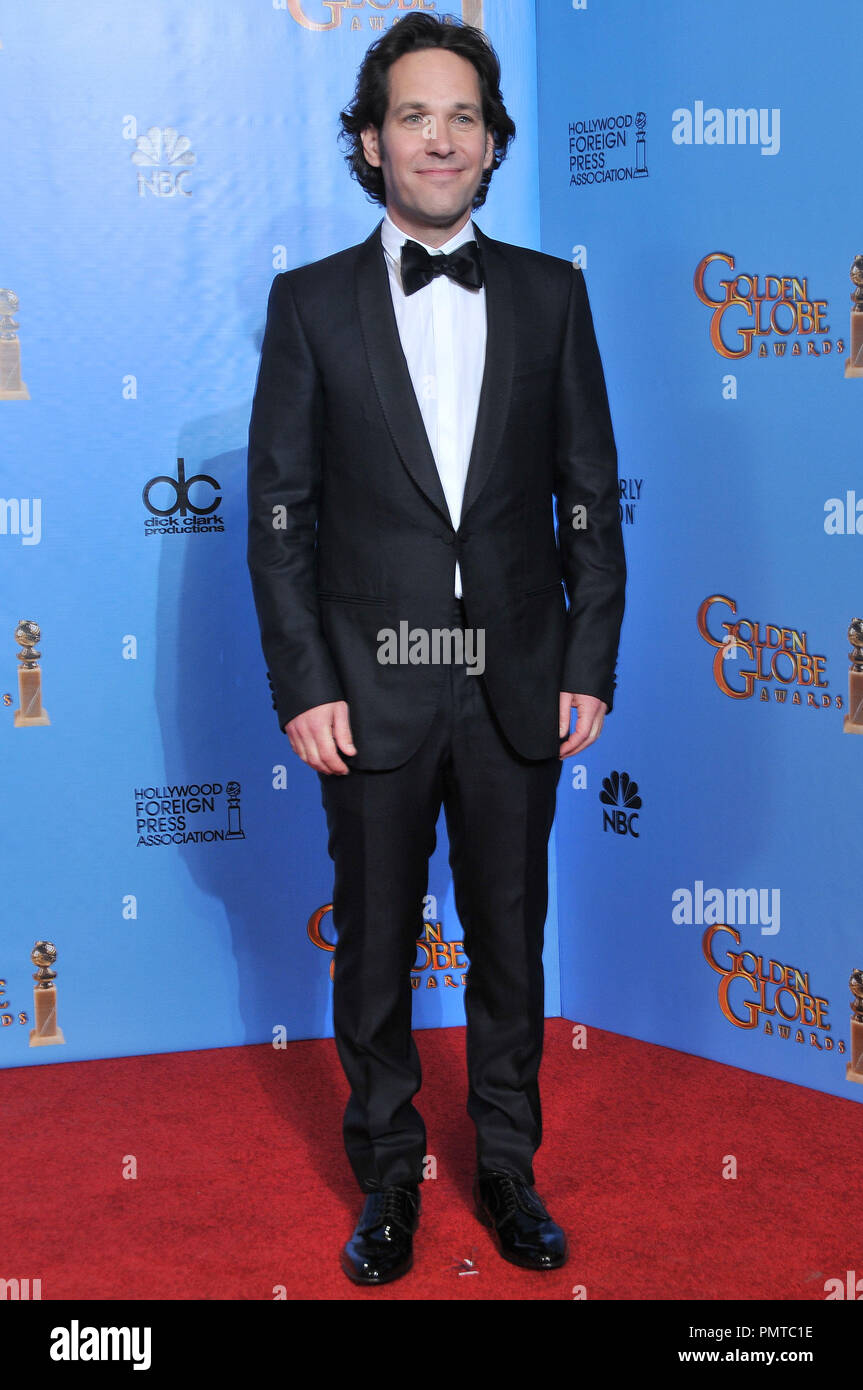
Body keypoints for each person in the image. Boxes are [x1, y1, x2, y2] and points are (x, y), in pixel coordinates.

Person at [247, 11, 625, 1286]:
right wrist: (304, 683)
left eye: (462, 114)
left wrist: (589, 656)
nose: (440, 135)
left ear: (490, 140)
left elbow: (587, 493)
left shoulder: (548, 293)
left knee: (511, 940)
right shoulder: (307, 307)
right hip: (368, 691)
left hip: (517, 680)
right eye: (414, 113)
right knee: (370, 947)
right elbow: (281, 518)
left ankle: (508, 1171)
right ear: (371, 140)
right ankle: (388, 1176)